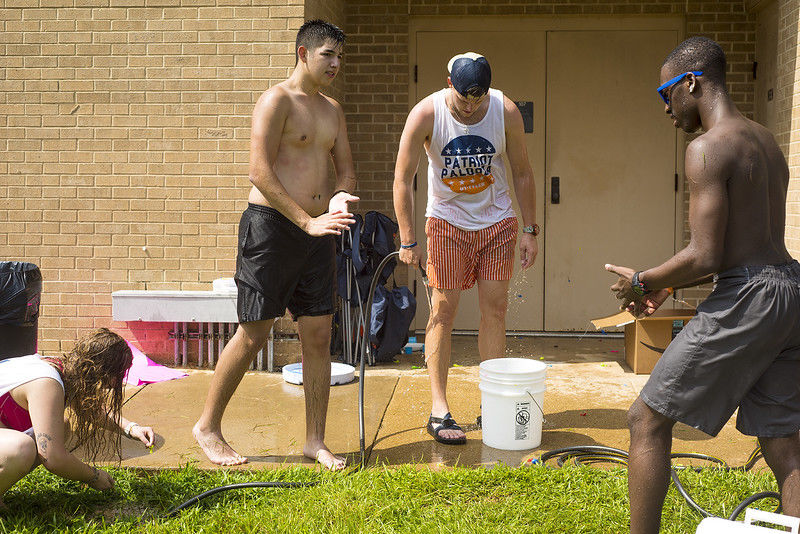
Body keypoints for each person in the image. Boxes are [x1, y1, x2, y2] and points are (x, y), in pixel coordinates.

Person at [604, 36, 800, 533]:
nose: (665, 107)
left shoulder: (706, 149)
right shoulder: (767, 142)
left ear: (690, 83)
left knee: (646, 420)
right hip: (789, 292)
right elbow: (742, 249)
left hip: (749, 299)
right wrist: (669, 288)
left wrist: (642, 280)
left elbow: (705, 255)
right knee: (783, 440)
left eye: (665, 93)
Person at [193, 19, 358, 470]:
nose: (336, 64)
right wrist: (306, 221)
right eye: (328, 55)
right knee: (254, 332)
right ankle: (208, 426)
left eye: (340, 57)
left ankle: (315, 440)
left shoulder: (333, 110)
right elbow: (259, 171)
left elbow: (346, 169)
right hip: (272, 227)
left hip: (319, 230)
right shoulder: (277, 100)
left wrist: (339, 197)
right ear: (303, 53)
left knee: (318, 334)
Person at [393, 52, 539, 444]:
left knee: (495, 310)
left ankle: (492, 403)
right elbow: (402, 178)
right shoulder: (426, 114)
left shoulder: (505, 111)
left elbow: (522, 171)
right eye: (464, 98)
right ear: (449, 85)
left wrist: (531, 230)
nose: (471, 106)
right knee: (442, 311)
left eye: (478, 97)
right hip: (447, 222)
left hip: (497, 222)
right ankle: (439, 408)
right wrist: (408, 238)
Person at [0, 328, 155, 510]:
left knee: (61, 426)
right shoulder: (47, 383)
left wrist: (130, 428)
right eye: (117, 375)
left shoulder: (60, 368)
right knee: (22, 448)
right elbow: (53, 458)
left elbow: (89, 409)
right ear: (102, 372)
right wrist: (93, 476)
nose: (116, 383)